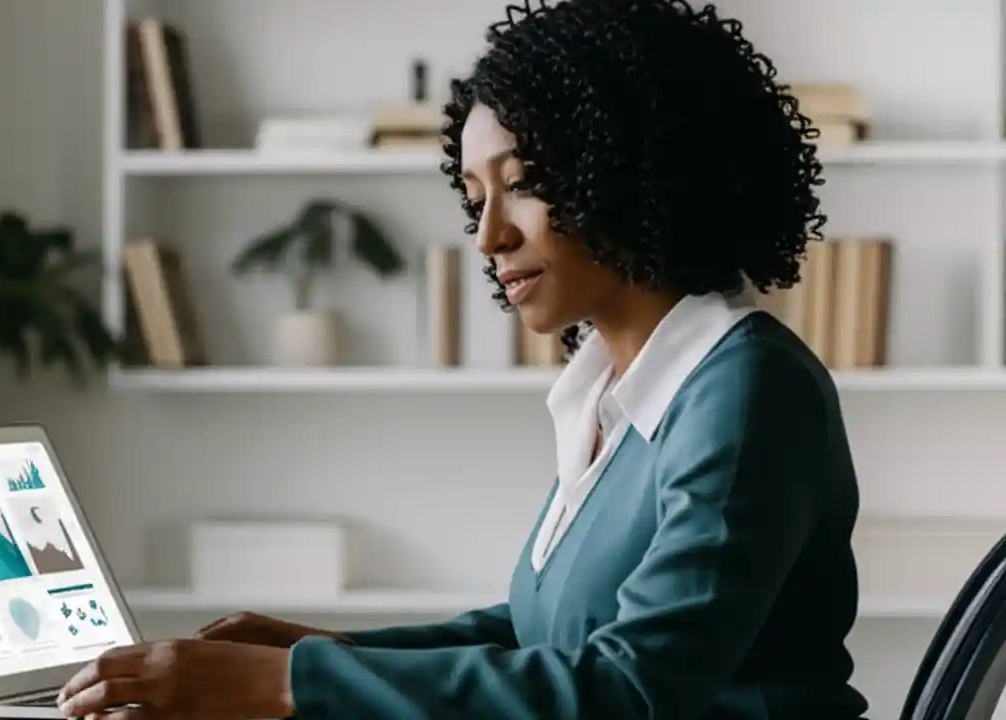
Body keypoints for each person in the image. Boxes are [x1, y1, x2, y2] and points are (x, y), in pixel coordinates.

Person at [56, 0, 870, 717]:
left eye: (523, 184)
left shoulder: (744, 389)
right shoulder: (613, 395)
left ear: (628, 170)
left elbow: (629, 692)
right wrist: (317, 652)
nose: (490, 238)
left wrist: (291, 685)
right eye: (477, 201)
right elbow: (539, 632)